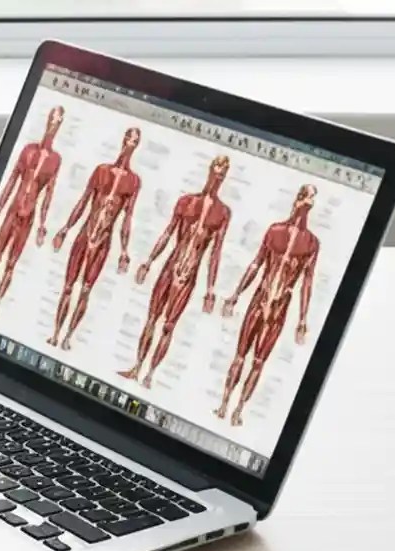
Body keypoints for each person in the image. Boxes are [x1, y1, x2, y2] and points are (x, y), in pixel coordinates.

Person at [118, 155, 233, 388]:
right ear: (210, 170)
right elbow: (168, 233)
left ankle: (149, 374)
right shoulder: (186, 201)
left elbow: (215, 252)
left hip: (190, 274)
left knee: (169, 326)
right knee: (151, 318)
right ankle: (137, 367)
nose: (219, 174)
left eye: (224, 171)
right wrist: (149, 261)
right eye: (217, 169)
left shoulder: (222, 213)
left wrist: (210, 289)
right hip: (171, 265)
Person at [213, 184, 320, 426]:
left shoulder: (311, 242)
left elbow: (307, 282)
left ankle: (238, 409)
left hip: (281, 303)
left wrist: (302, 320)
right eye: (305, 197)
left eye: (311, 199)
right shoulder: (275, 230)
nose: (307, 203)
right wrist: (236, 295)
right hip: (260, 297)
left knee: (258, 362)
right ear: (297, 199)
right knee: (240, 355)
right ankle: (224, 403)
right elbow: (256, 264)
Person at [46, 127, 143, 350]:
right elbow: (84, 200)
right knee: (68, 286)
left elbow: (127, 217)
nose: (130, 143)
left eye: (135, 141)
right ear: (123, 139)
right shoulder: (102, 170)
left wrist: (125, 251)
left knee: (86, 290)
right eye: (128, 138)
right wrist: (65, 229)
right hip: (85, 233)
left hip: (103, 241)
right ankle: (55, 334)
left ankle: (68, 336)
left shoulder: (133, 182)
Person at [0, 106, 65, 317]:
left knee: (11, 265)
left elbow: (48, 195)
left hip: (28, 216)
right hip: (12, 210)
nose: (53, 124)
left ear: (60, 125)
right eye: (52, 118)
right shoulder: (28, 150)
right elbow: (12, 180)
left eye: (58, 121)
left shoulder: (55, 160)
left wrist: (42, 224)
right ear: (47, 120)